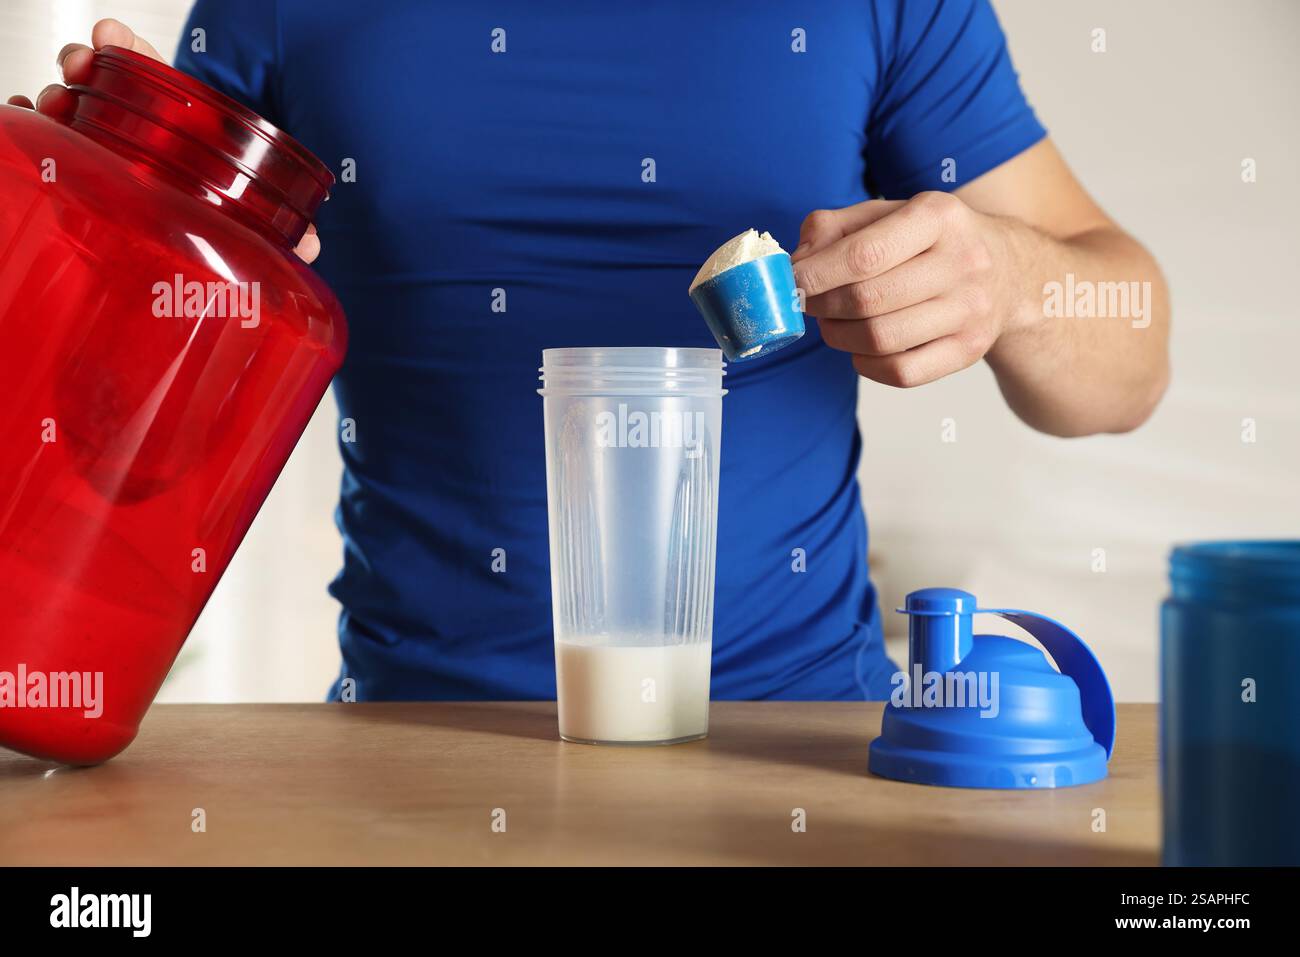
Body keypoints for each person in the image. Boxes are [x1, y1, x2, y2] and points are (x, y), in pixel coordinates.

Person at [10, 3, 1169, 702]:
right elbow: (123, 439)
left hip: (793, 757)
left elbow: (1132, 360)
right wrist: (74, 226)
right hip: (414, 759)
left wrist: (1011, 279)